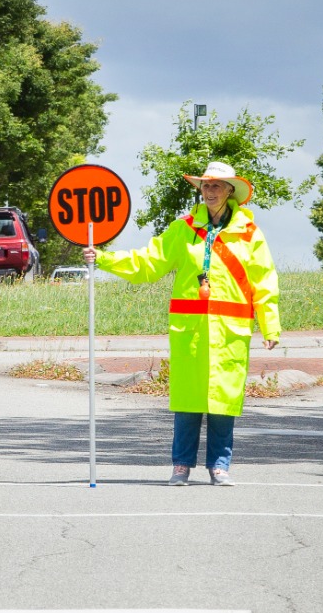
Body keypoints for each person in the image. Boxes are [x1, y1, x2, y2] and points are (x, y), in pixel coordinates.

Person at [87, 160, 281, 485]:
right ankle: (181, 465)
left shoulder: (249, 234)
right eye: (205, 185)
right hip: (189, 330)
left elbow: (264, 280)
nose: (210, 191)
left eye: (216, 185)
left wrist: (270, 324)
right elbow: (147, 263)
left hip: (230, 331)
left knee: (224, 400)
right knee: (188, 402)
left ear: (230, 191)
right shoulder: (184, 229)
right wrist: (103, 258)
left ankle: (220, 466)